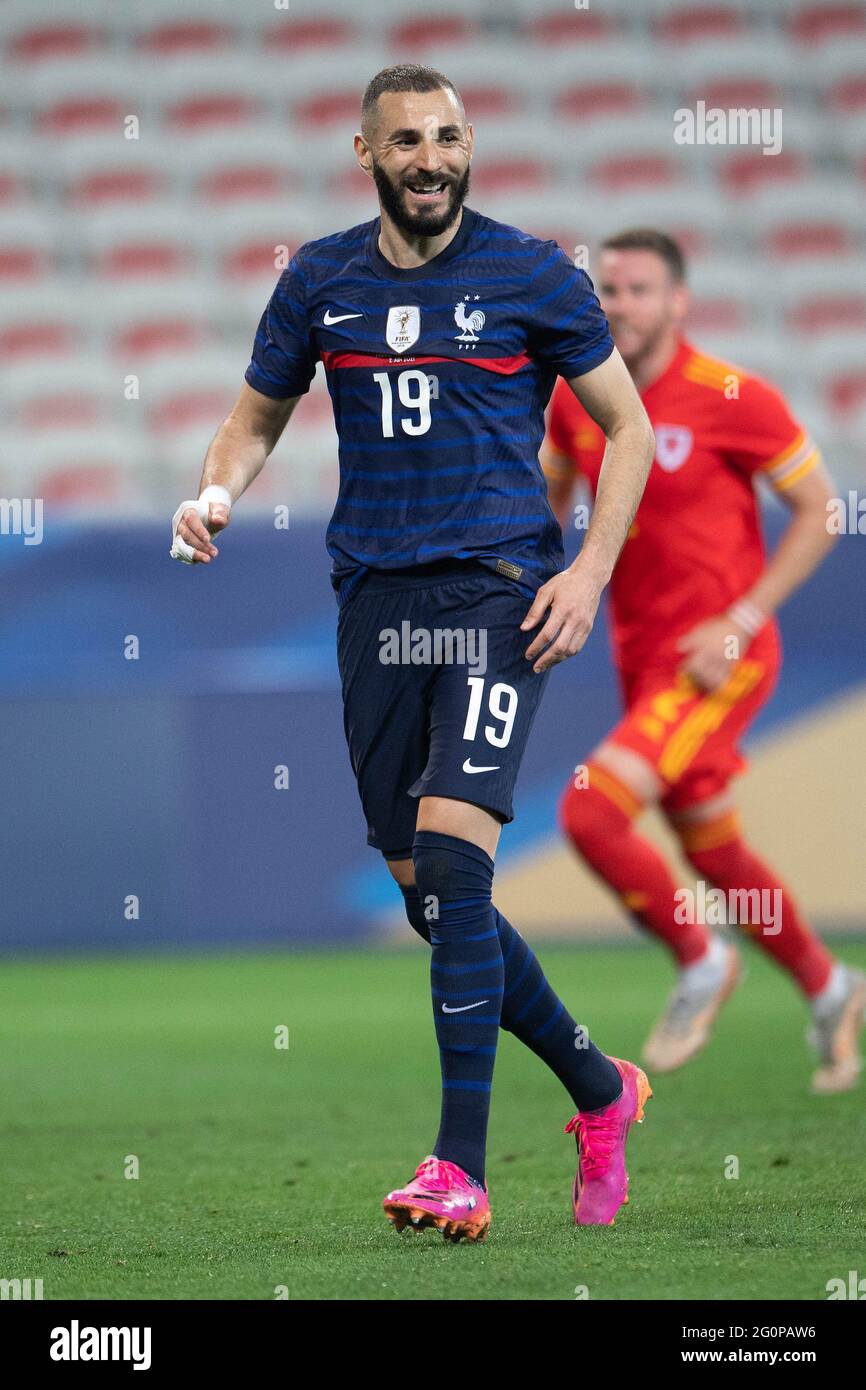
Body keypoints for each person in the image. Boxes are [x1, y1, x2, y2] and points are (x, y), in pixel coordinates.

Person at [170, 67, 655, 1241]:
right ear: (365, 152)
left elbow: (627, 428)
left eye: (445, 136)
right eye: (405, 141)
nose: (428, 157)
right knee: (432, 895)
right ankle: (599, 1087)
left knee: (453, 864)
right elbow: (255, 415)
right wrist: (215, 491)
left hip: (500, 593)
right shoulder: (317, 279)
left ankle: (457, 1164)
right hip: (373, 604)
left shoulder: (534, 272)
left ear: (469, 142)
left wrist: (586, 571)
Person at [543, 228, 865, 1094]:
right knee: (715, 849)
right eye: (606, 288)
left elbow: (820, 510)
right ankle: (833, 988)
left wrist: (740, 617)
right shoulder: (576, 402)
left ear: (678, 301)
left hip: (723, 659)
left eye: (639, 289)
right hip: (642, 661)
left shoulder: (733, 396)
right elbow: (547, 505)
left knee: (589, 814)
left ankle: (699, 957)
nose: (618, 304)